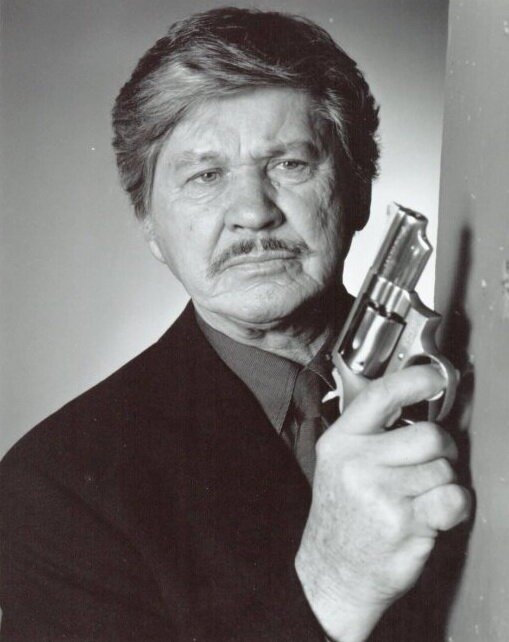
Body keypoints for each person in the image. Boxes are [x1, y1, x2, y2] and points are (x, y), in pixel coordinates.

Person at [0, 7, 470, 641]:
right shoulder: (56, 487)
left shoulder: (468, 388)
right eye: (206, 176)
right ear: (151, 228)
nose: (252, 212)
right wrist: (334, 588)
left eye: (290, 164)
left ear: (359, 190)